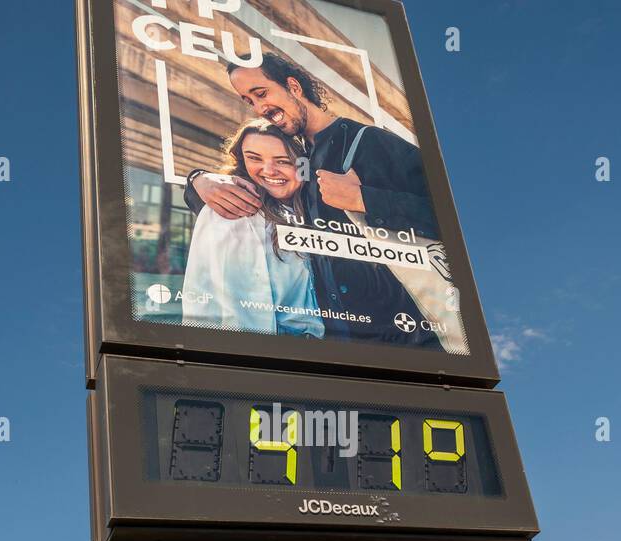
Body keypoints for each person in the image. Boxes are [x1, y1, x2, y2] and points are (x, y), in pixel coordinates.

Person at [183, 53, 444, 349]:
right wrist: (197, 179)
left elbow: (453, 218)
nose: (259, 108)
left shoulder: (370, 142)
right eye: (249, 101)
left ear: (294, 87)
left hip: (407, 343)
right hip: (341, 348)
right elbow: (250, 202)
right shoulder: (300, 159)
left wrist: (364, 199)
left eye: (261, 93)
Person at [181, 118, 323, 338]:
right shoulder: (232, 210)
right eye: (254, 158)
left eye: (283, 161)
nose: (269, 170)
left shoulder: (318, 212)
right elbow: (218, 303)